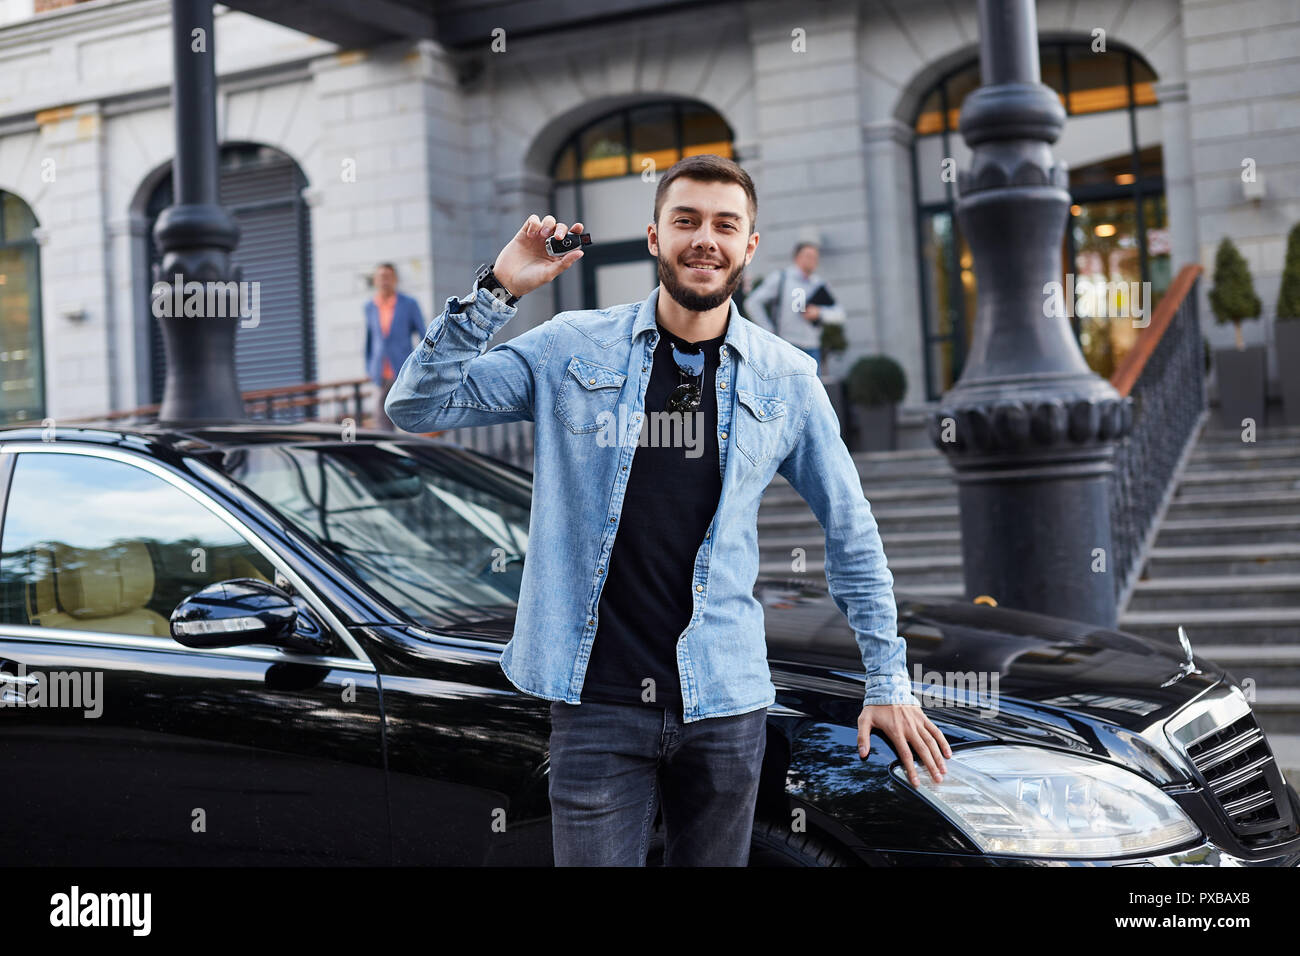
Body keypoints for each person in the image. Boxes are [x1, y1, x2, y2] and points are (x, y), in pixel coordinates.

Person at [385, 154, 949, 866]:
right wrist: (500, 290)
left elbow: (851, 532)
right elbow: (415, 405)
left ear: (750, 245)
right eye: (685, 221)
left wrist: (886, 680)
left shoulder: (789, 379)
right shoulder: (570, 347)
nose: (703, 239)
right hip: (595, 704)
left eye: (724, 224)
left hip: (725, 703)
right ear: (655, 238)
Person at [746, 240, 845, 373]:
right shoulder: (782, 279)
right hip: (786, 346)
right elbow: (752, 302)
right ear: (797, 257)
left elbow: (839, 314)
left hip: (812, 349)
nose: (813, 260)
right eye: (808, 256)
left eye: (815, 257)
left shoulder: (819, 284)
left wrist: (819, 313)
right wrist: (768, 331)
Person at [364, 263, 427, 430]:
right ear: (375, 281)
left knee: (406, 415)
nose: (384, 281)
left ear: (395, 280)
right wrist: (369, 368)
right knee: (381, 419)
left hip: (403, 369)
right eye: (381, 277)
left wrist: (423, 365)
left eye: (388, 277)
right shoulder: (370, 306)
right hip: (380, 373)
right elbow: (370, 340)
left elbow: (423, 334)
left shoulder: (409, 304)